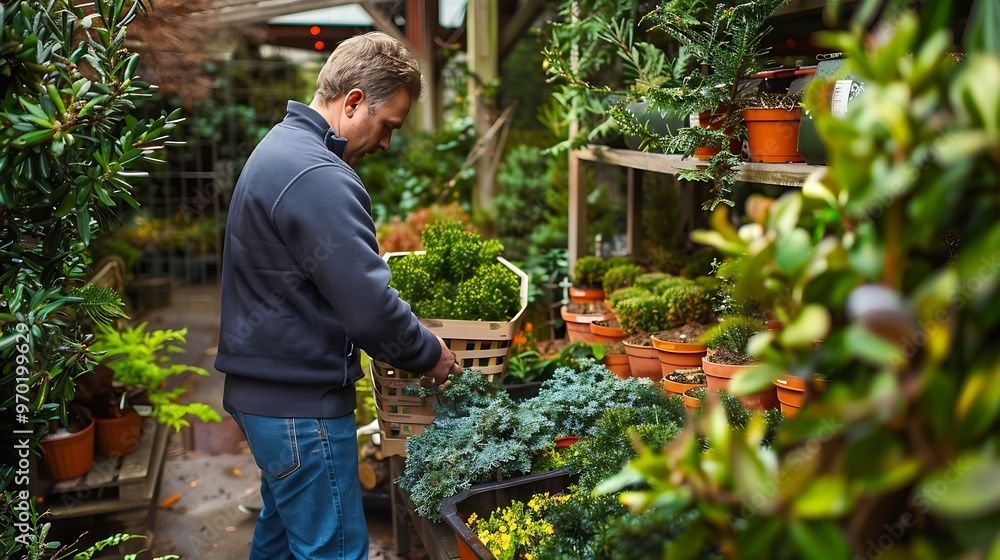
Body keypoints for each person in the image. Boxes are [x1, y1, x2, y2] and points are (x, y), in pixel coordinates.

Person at [214, 31, 461, 560]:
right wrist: (429, 353)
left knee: (280, 540)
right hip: (301, 411)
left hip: (269, 398)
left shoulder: (282, 149)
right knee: (334, 551)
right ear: (353, 103)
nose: (388, 142)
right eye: (388, 124)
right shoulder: (317, 175)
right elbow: (369, 306)